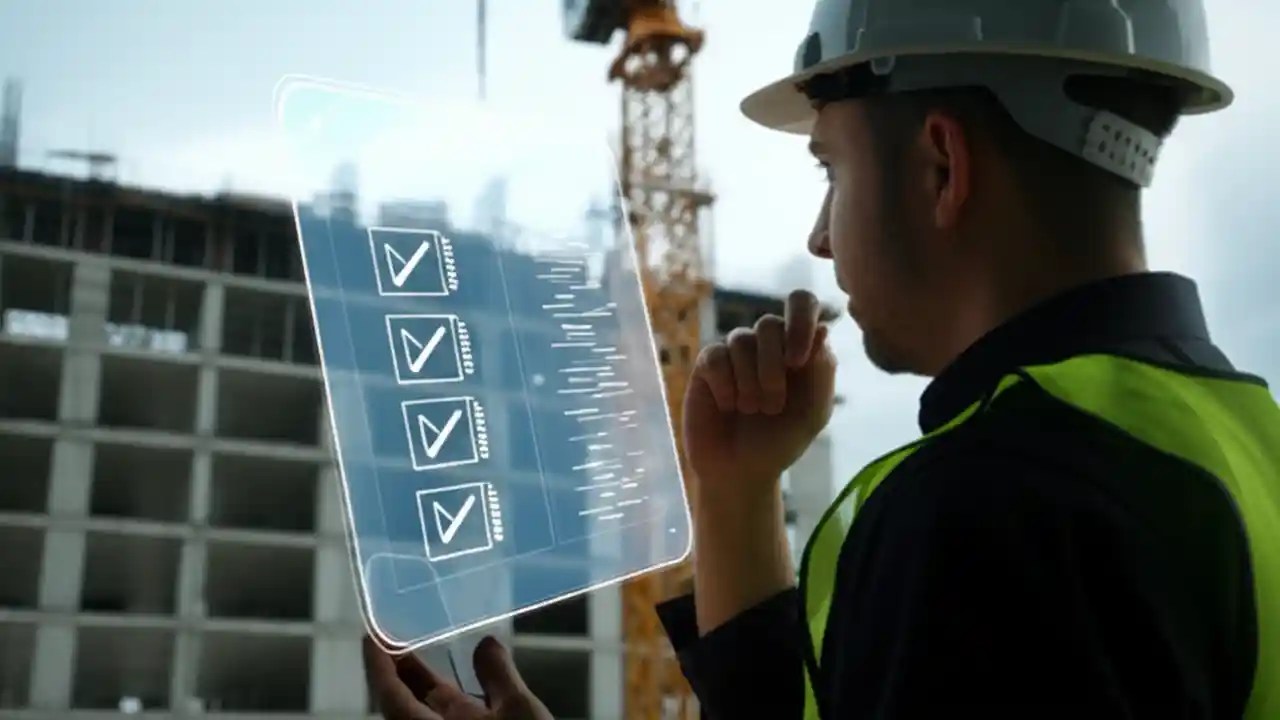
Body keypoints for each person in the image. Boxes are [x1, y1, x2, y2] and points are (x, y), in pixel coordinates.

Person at [365, 0, 1280, 717]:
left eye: (830, 170)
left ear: (941, 168)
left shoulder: (985, 504)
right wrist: (735, 495)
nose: (817, 239)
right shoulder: (1242, 438)